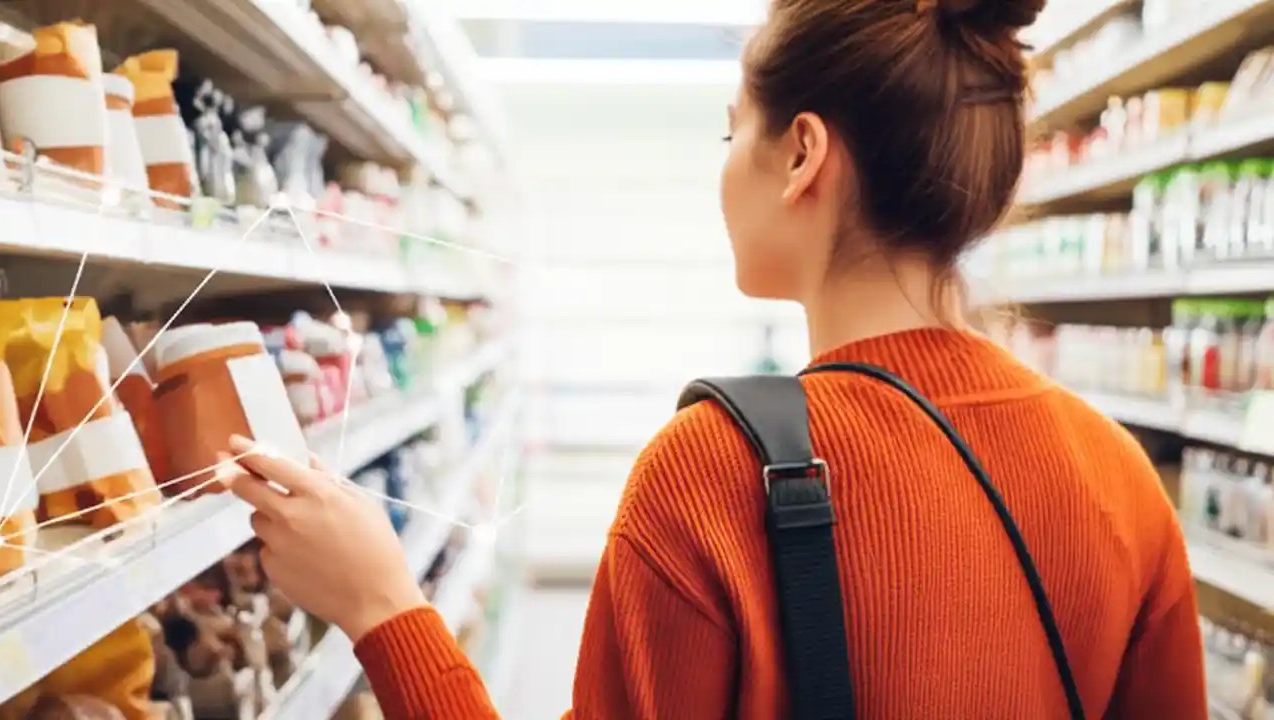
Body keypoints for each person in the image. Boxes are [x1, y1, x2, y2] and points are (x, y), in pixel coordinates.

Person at [226, 0, 1209, 717]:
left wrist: (380, 605)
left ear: (800, 155)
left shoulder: (710, 474)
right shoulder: (1115, 476)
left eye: (729, 130)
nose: (722, 166)